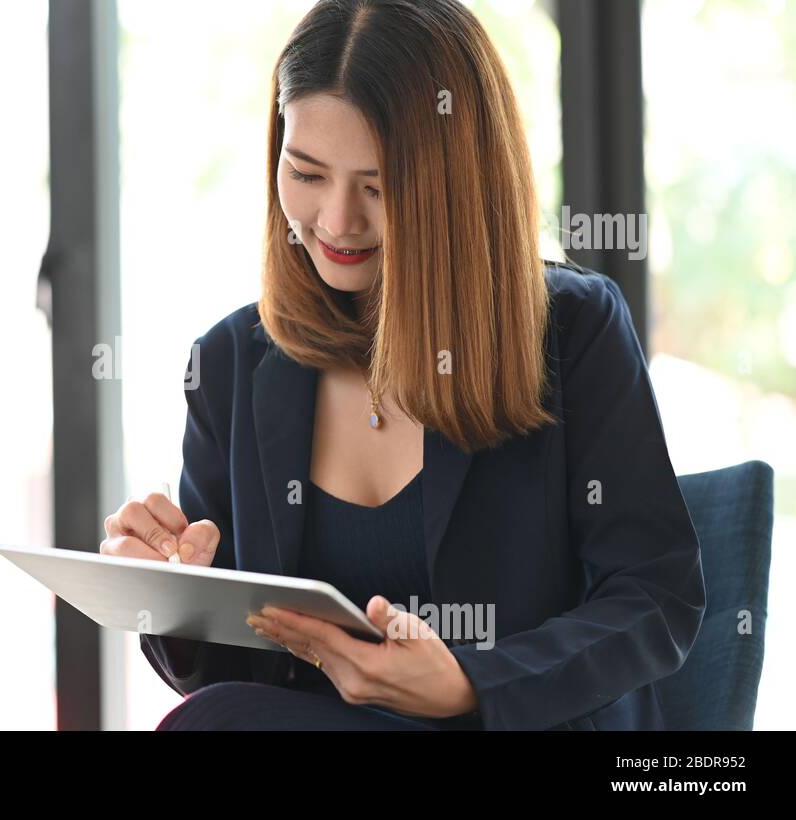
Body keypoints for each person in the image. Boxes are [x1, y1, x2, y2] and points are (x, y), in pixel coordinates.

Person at [100, 0, 706, 731]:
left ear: (457, 185)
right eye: (308, 174)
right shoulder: (230, 363)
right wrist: (178, 597)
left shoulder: (572, 329)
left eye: (379, 186)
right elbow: (243, 672)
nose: (337, 221)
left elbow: (656, 597)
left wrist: (472, 683)